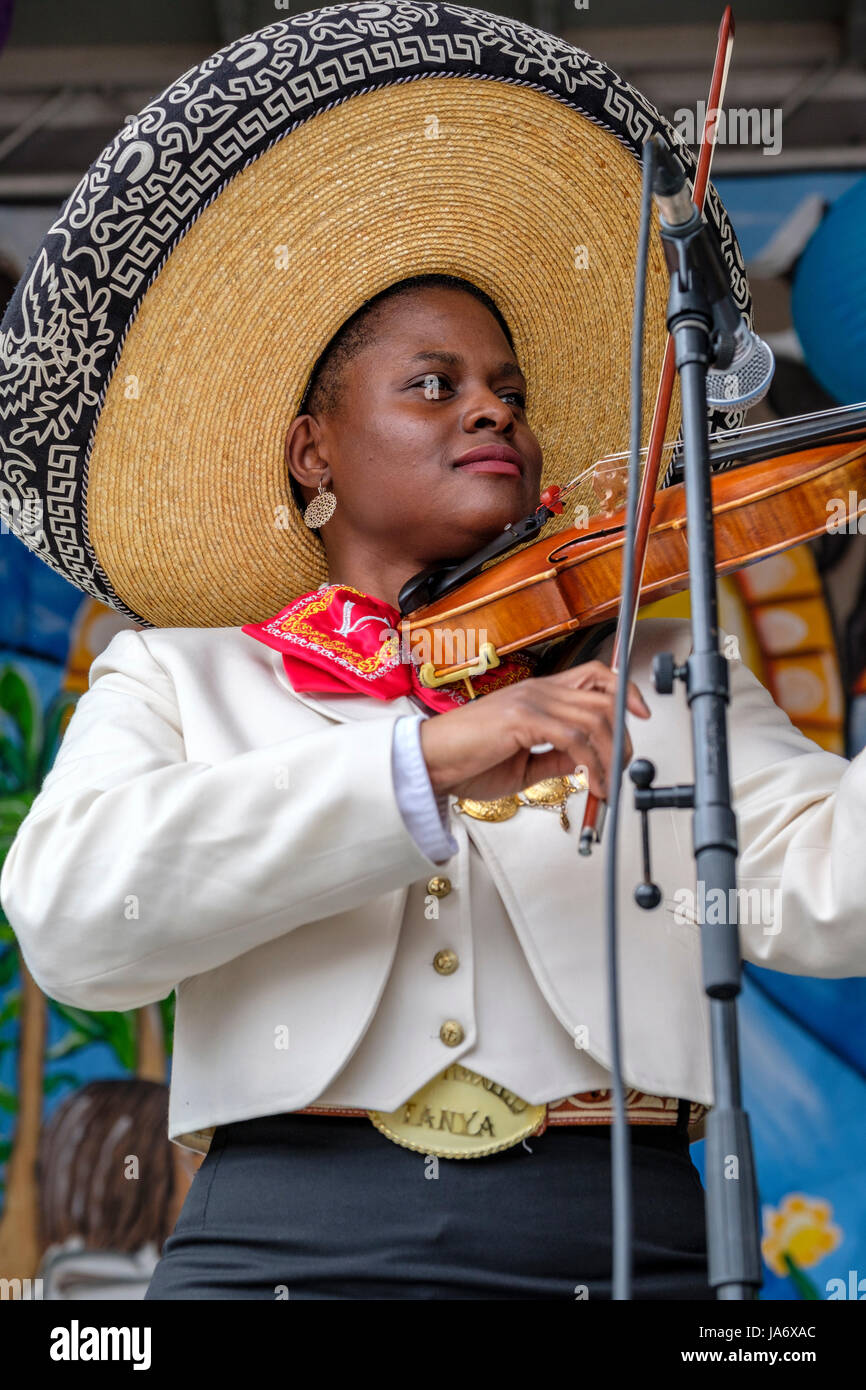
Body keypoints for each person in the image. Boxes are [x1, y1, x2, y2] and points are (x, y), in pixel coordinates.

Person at [2, 4, 864, 1301]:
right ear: (314, 451)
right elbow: (74, 921)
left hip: (621, 1229)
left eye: (508, 392)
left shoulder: (655, 663)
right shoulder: (186, 673)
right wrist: (419, 763)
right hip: (283, 1237)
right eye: (433, 383)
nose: (492, 411)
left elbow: (826, 889)